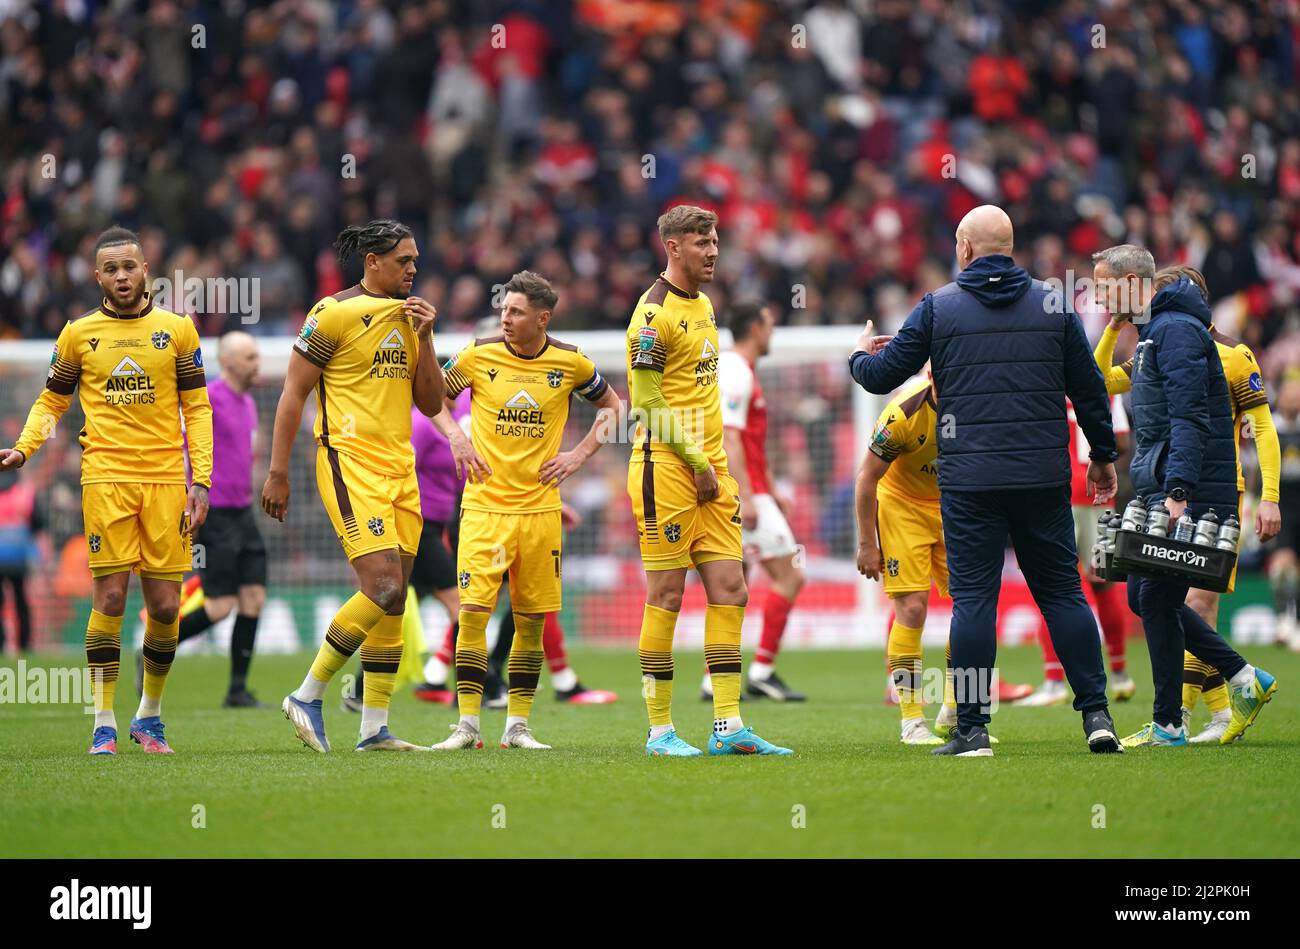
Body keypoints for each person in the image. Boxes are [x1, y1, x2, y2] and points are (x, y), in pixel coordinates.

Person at [849, 205, 1122, 757]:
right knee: (1064, 595)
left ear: (965, 249)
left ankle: (971, 731)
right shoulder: (1052, 302)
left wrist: (858, 352)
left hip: (970, 481)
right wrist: (1101, 455)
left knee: (974, 601)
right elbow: (1091, 387)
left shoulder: (939, 307)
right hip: (1042, 476)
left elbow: (881, 376)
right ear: (1010, 247)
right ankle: (1097, 718)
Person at [0, 225, 213, 755]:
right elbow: (52, 402)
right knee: (112, 597)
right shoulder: (78, 335)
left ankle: (150, 715)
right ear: (98, 276)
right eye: (111, 269)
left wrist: (201, 479)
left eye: (130, 267)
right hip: (105, 479)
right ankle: (102, 722)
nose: (122, 276)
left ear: (146, 270)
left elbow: (197, 408)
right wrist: (25, 449)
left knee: (166, 607)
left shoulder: (178, 331)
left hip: (166, 482)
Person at [1086, 245, 1277, 748]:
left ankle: (1173, 720)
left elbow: (1190, 418)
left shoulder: (1174, 332)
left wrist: (1178, 493)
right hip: (1163, 481)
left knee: (1153, 595)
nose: (1100, 294)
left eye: (1105, 284)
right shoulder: (1155, 334)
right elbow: (1102, 379)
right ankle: (1238, 680)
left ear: (1130, 283)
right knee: (1142, 593)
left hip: (1191, 489)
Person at [265, 219, 444, 753]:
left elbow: (432, 403)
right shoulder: (333, 312)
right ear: (373, 261)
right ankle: (307, 693)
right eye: (404, 260)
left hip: (400, 468)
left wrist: (427, 338)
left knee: (395, 600)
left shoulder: (410, 319)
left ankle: (374, 729)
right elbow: (294, 392)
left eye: (416, 259)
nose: (414, 268)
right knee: (383, 586)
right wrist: (277, 471)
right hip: (350, 463)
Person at [428, 270, 622, 751]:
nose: (506, 318)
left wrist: (577, 456)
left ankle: (517, 727)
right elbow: (432, 399)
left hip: (540, 514)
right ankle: (467, 726)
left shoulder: (570, 363)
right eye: (504, 310)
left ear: (542, 317)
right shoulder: (478, 354)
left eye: (515, 311)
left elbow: (615, 407)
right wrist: (456, 436)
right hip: (483, 509)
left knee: (531, 622)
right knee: (472, 615)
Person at [626, 205, 792, 757]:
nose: (714, 250)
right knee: (667, 595)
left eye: (716, 240)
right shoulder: (651, 315)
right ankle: (659, 731)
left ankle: (727, 725)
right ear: (673, 247)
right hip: (666, 470)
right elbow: (646, 401)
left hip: (711, 470)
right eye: (702, 242)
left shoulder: (705, 305)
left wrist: (711, 465)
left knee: (731, 589)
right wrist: (697, 461)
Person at [698, 300, 807, 703]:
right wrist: (748, 494)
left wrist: (772, 487)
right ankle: (761, 671)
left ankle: (715, 678)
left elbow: (747, 441)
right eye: (769, 323)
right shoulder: (734, 372)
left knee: (733, 579)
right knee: (791, 575)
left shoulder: (738, 371)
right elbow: (727, 438)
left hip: (753, 488)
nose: (773, 331)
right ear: (755, 328)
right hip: (742, 493)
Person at [854, 369, 962, 745]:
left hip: (956, 506)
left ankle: (956, 710)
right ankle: (912, 721)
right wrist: (868, 544)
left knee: (972, 604)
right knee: (913, 608)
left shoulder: (979, 403)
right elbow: (867, 478)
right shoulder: (900, 414)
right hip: (903, 507)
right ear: (933, 374)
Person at [170, 331, 268, 708]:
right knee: (220, 606)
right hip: (213, 515)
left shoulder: (248, 403)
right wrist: (186, 496)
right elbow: (181, 447)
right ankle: (156, 645)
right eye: (249, 357)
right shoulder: (209, 398)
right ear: (227, 361)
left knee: (254, 599)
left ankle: (237, 691)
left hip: (243, 513)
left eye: (257, 356)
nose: (257, 363)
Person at [1019, 394, 1136, 706]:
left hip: (1059, 496)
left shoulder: (1046, 384)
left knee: (1053, 586)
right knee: (1103, 585)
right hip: (1099, 497)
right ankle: (1121, 676)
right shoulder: (1106, 387)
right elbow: (1122, 442)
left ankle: (1054, 680)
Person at [1268, 376, 1300, 650]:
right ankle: (1283, 620)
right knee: (1282, 567)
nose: (1294, 399)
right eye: (1290, 394)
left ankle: (1296, 624)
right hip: (1281, 505)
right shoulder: (1270, 428)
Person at [0, 468, 41, 653]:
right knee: (21, 600)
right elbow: (38, 523)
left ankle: (1, 643)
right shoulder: (24, 493)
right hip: (18, 556)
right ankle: (24, 644)